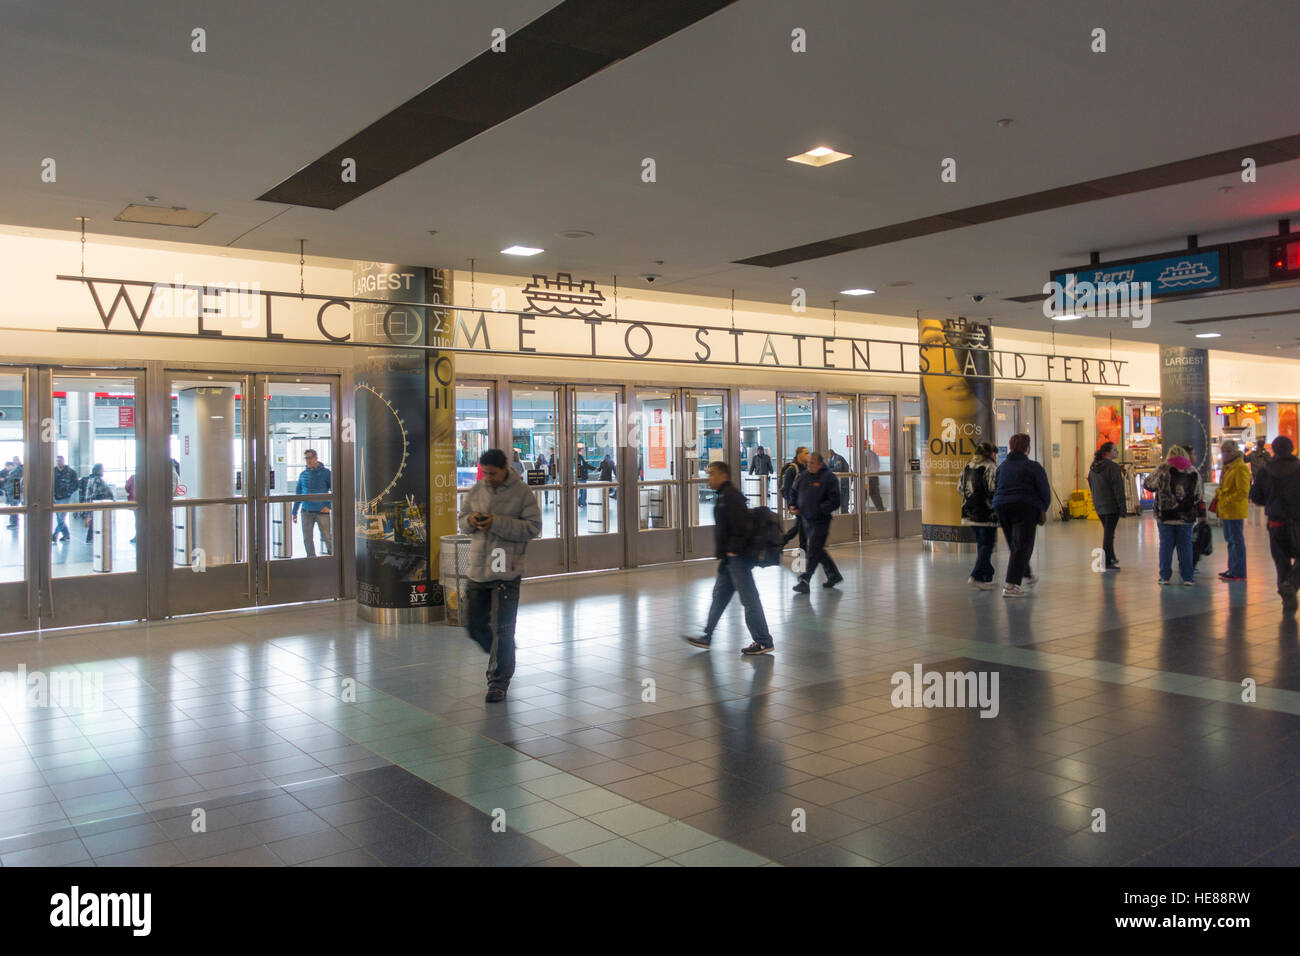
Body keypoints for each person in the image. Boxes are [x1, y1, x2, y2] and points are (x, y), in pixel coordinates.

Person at [458, 448, 543, 701]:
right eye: (485, 473)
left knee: (503, 629)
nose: (489, 478)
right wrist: (471, 522)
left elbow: (533, 528)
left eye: (493, 473)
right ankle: (504, 652)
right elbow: (461, 521)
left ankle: (498, 682)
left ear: (505, 469)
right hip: (478, 569)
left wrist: (496, 522)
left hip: (507, 571)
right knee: (473, 626)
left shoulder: (522, 493)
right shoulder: (478, 489)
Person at [684, 461, 774, 655]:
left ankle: (764, 640)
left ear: (724, 475)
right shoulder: (724, 496)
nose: (709, 478)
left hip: (738, 559)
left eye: (712, 474)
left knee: (749, 599)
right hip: (729, 560)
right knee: (719, 597)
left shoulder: (731, 497)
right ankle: (707, 636)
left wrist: (734, 550)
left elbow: (743, 527)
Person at [992, 433, 1050, 598]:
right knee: (1023, 545)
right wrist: (1042, 508)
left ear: (1010, 447)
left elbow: (996, 487)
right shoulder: (1033, 467)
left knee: (1015, 545)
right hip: (1025, 507)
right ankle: (1011, 585)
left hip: (1002, 507)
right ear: (1027, 448)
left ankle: (1026, 574)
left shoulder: (1002, 467)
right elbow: (1044, 491)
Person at [1249, 435, 1300, 610]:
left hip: (1275, 523)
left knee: (1281, 561)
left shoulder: (1265, 471)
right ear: (1291, 448)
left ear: (1274, 450)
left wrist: (1271, 503)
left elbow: (1256, 496)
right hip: (1298, 521)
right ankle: (1292, 584)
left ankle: (1287, 600)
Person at [1144, 445, 1202, 586]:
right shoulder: (1192, 470)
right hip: (1186, 517)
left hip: (1165, 516)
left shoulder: (1163, 469)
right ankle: (1188, 577)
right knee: (1186, 546)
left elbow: (1148, 484)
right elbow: (1198, 495)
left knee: (1166, 546)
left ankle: (1165, 577)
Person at [791, 452, 843, 593]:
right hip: (806, 519)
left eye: (813, 462)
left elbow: (835, 500)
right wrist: (793, 504)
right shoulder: (803, 476)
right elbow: (794, 491)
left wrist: (821, 509)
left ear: (821, 464)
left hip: (821, 520)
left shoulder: (829, 478)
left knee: (814, 549)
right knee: (817, 549)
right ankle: (834, 575)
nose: (810, 465)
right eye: (808, 462)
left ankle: (805, 580)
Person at [959, 442, 998, 589]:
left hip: (968, 512)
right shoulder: (990, 467)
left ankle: (987, 576)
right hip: (986, 513)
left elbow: (960, 488)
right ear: (990, 454)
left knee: (982, 544)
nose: (995, 456)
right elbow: (992, 489)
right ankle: (976, 576)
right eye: (994, 453)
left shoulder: (967, 466)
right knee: (987, 545)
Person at [1088, 441, 1126, 571]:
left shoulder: (1093, 467)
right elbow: (1118, 488)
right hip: (1111, 505)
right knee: (1109, 534)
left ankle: (1111, 556)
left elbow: (1091, 484)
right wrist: (1122, 506)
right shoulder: (1112, 467)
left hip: (1099, 504)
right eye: (1114, 450)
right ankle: (1106, 562)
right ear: (1106, 453)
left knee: (1108, 532)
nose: (1117, 452)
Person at [1216, 438, 1250, 581]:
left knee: (1236, 541)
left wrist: (1227, 499)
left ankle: (1239, 571)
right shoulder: (1227, 468)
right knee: (1230, 541)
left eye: (1228, 451)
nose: (1225, 454)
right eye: (1223, 451)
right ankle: (1233, 568)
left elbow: (1243, 491)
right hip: (1226, 510)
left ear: (1235, 452)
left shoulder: (1240, 468)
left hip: (1235, 510)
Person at [291, 449, 332, 557]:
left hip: (322, 511)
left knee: (327, 537)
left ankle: (333, 558)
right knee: (307, 538)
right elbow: (298, 493)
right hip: (306, 511)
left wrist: (329, 506)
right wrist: (294, 511)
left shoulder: (326, 473)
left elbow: (335, 490)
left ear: (316, 458)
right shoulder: (303, 474)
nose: (308, 461)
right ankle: (311, 559)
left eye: (310, 458)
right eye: (306, 458)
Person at [780, 447, 809, 548]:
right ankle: (804, 549)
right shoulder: (792, 470)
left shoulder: (805, 468)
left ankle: (782, 541)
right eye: (806, 453)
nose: (808, 455)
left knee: (800, 525)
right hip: (796, 503)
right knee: (802, 525)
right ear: (799, 455)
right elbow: (788, 489)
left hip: (804, 502)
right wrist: (792, 505)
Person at [82, 463, 111, 544]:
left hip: (91, 502)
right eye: (102, 469)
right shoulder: (97, 480)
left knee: (93, 520)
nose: (103, 471)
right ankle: (90, 538)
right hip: (96, 503)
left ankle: (90, 538)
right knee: (94, 520)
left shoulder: (92, 478)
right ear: (98, 470)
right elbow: (96, 492)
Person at [1246, 438, 1272, 527]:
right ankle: (1266, 517)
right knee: (1265, 497)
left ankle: (1255, 519)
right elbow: (1271, 463)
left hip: (1256, 478)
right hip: (1265, 479)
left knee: (1254, 498)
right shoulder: (1267, 455)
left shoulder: (1252, 455)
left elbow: (1244, 459)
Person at [52, 455, 78, 542]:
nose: (58, 462)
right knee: (59, 518)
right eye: (57, 461)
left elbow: (76, 484)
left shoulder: (70, 472)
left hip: (65, 497)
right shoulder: (53, 472)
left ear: (63, 461)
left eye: (60, 460)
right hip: (56, 497)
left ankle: (54, 534)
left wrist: (69, 492)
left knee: (61, 517)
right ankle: (66, 535)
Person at [826, 448, 851, 514]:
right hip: (839, 484)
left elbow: (838, 468)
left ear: (831, 453)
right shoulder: (830, 459)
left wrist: (827, 469)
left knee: (844, 503)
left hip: (845, 482)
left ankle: (846, 517)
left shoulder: (839, 458)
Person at [3, 456, 21, 528]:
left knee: (14, 506)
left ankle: (14, 523)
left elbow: (16, 479)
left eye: (16, 460)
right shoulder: (14, 469)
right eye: (14, 460)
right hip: (11, 490)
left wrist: (8, 478)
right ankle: (13, 521)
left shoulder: (18, 469)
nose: (15, 461)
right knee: (13, 505)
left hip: (15, 489)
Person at [865, 442, 884, 511]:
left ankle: (856, 513)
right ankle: (881, 512)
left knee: (862, 497)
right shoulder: (874, 454)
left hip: (868, 478)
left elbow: (865, 468)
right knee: (876, 497)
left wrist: (865, 482)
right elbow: (877, 466)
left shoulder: (865, 454)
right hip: (875, 478)